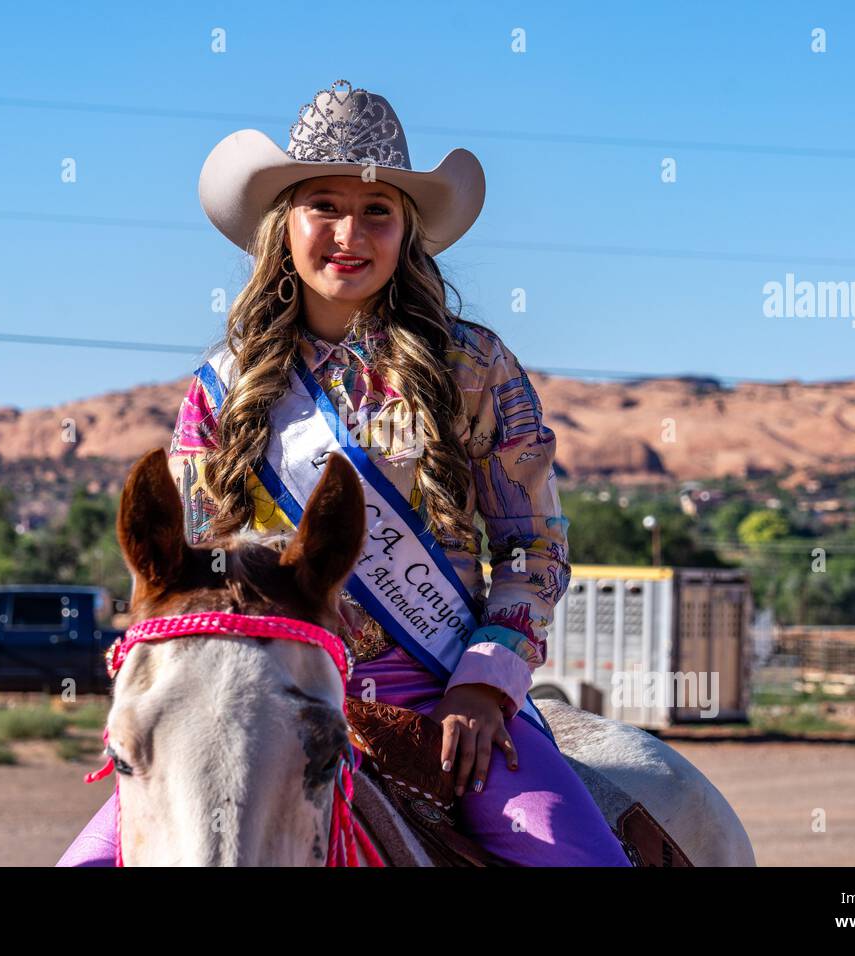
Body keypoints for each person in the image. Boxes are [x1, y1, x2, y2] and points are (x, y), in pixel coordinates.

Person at [58, 79, 631, 867]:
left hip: (444, 698)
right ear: (283, 225)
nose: (348, 233)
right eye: (323, 206)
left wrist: (485, 683)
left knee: (582, 862)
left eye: (376, 212)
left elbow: (533, 548)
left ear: (407, 232)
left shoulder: (476, 366)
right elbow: (193, 573)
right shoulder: (221, 387)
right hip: (259, 696)